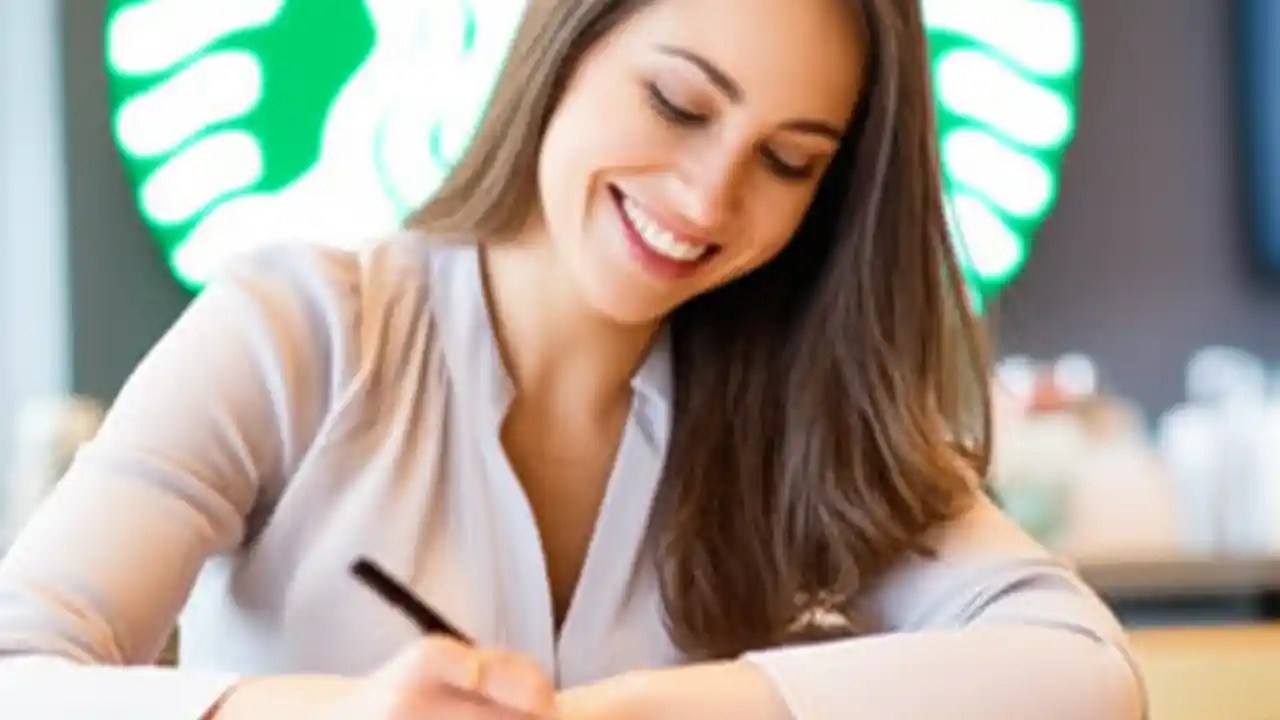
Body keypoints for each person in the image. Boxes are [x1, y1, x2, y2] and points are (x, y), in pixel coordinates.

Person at [0, 0, 1144, 717]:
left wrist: (650, 713)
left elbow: (1083, 674)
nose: (707, 198)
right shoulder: (295, 332)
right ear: (564, 45)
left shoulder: (805, 408)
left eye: (787, 162)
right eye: (677, 102)